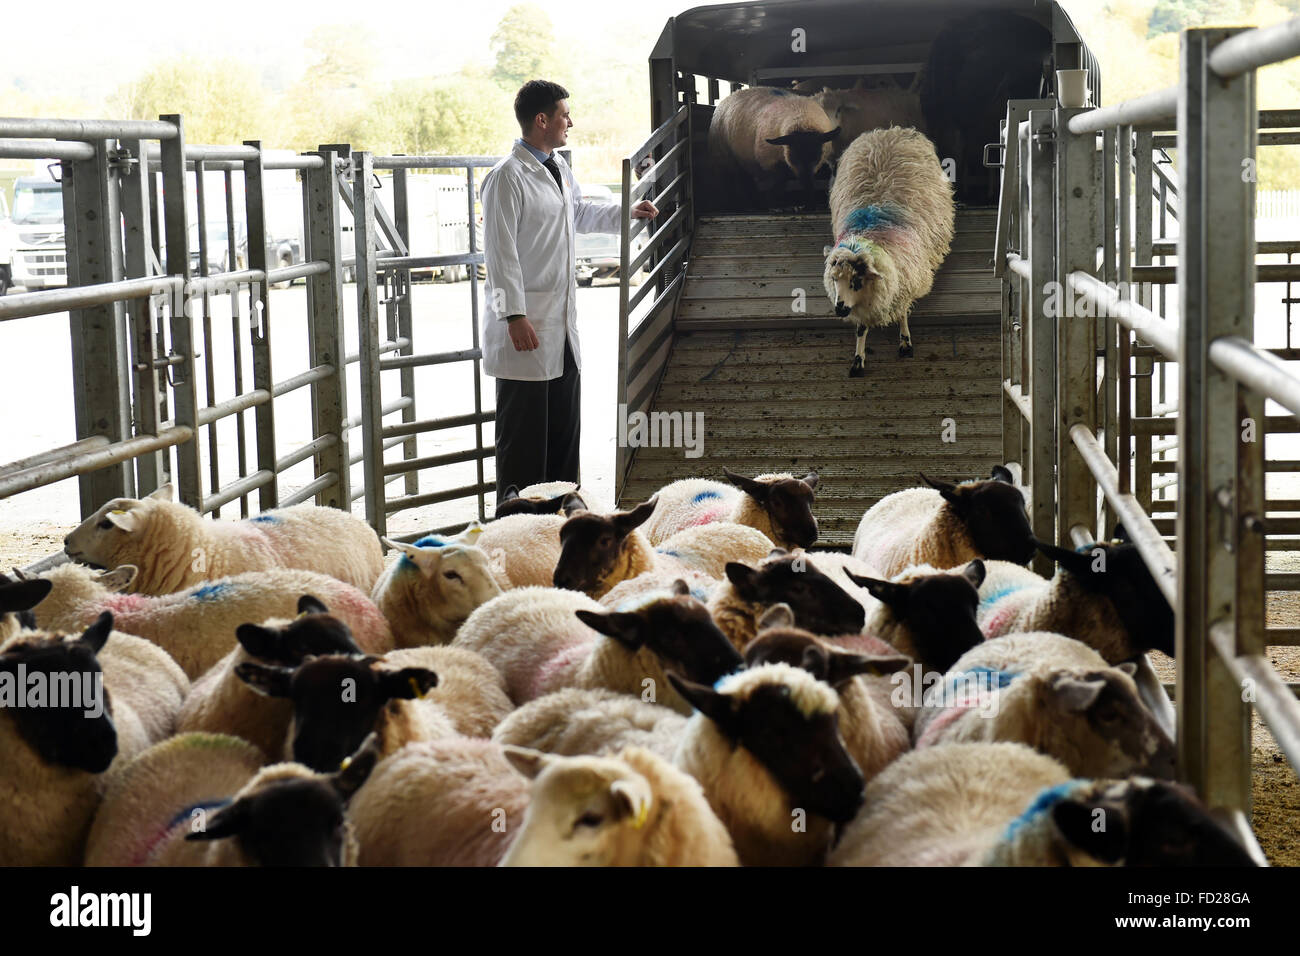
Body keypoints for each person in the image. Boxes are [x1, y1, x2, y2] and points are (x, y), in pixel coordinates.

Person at [480, 79, 658, 500]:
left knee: (562, 436)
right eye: (563, 115)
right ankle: (517, 525)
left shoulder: (558, 168)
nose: (570, 123)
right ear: (541, 120)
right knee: (523, 441)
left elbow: (577, 211)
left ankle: (560, 519)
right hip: (525, 327)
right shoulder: (507, 178)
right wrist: (514, 315)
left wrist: (626, 211)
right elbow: (499, 253)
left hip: (559, 330)